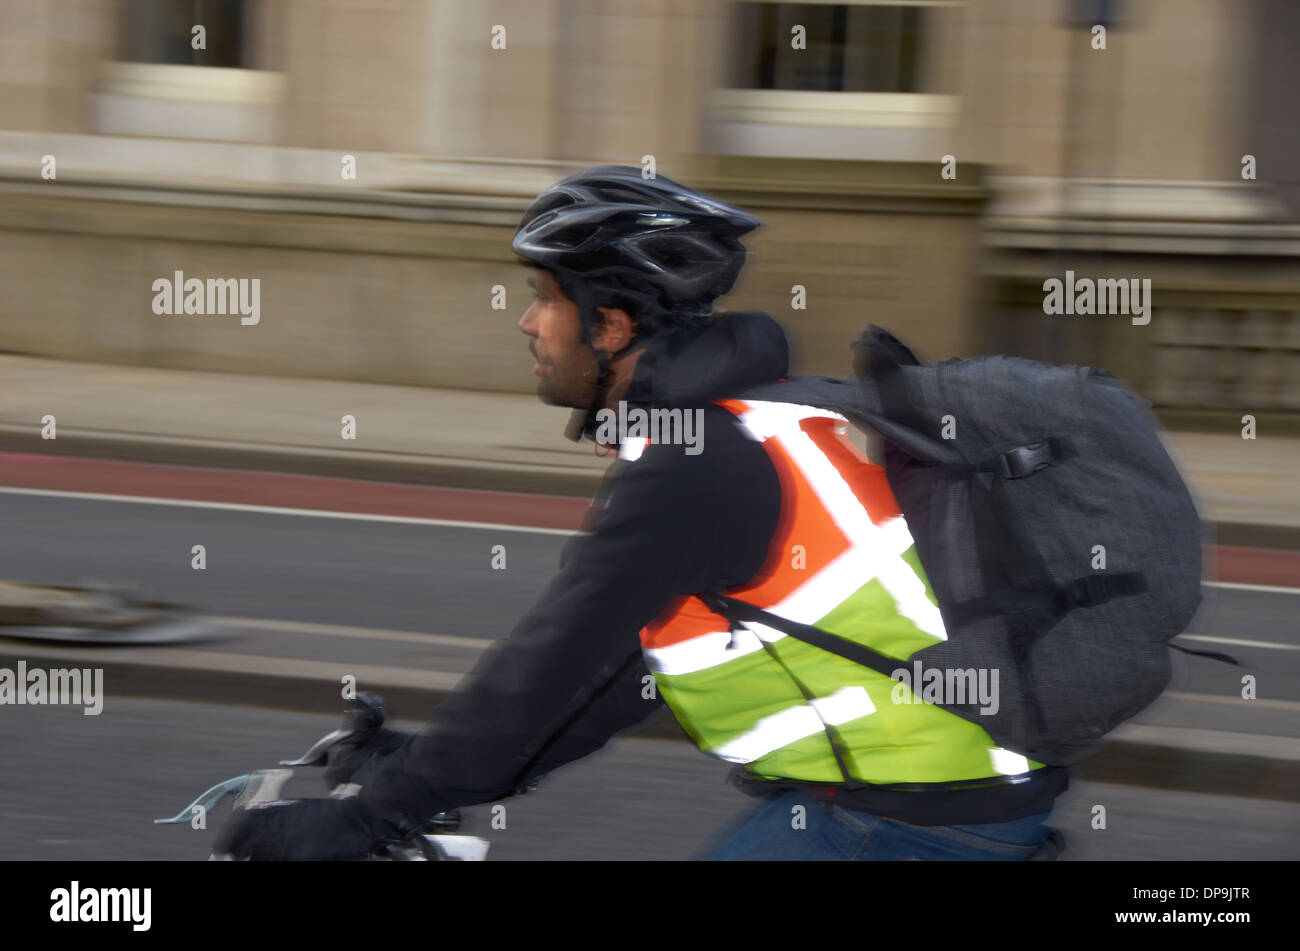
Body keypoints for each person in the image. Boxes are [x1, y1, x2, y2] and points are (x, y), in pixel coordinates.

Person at [214, 165, 1067, 861]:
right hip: (940, 795)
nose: (526, 322)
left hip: (913, 817)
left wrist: (370, 818)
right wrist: (426, 770)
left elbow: (552, 660)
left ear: (612, 326)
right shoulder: (761, 418)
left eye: (544, 297)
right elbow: (616, 681)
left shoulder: (692, 464)